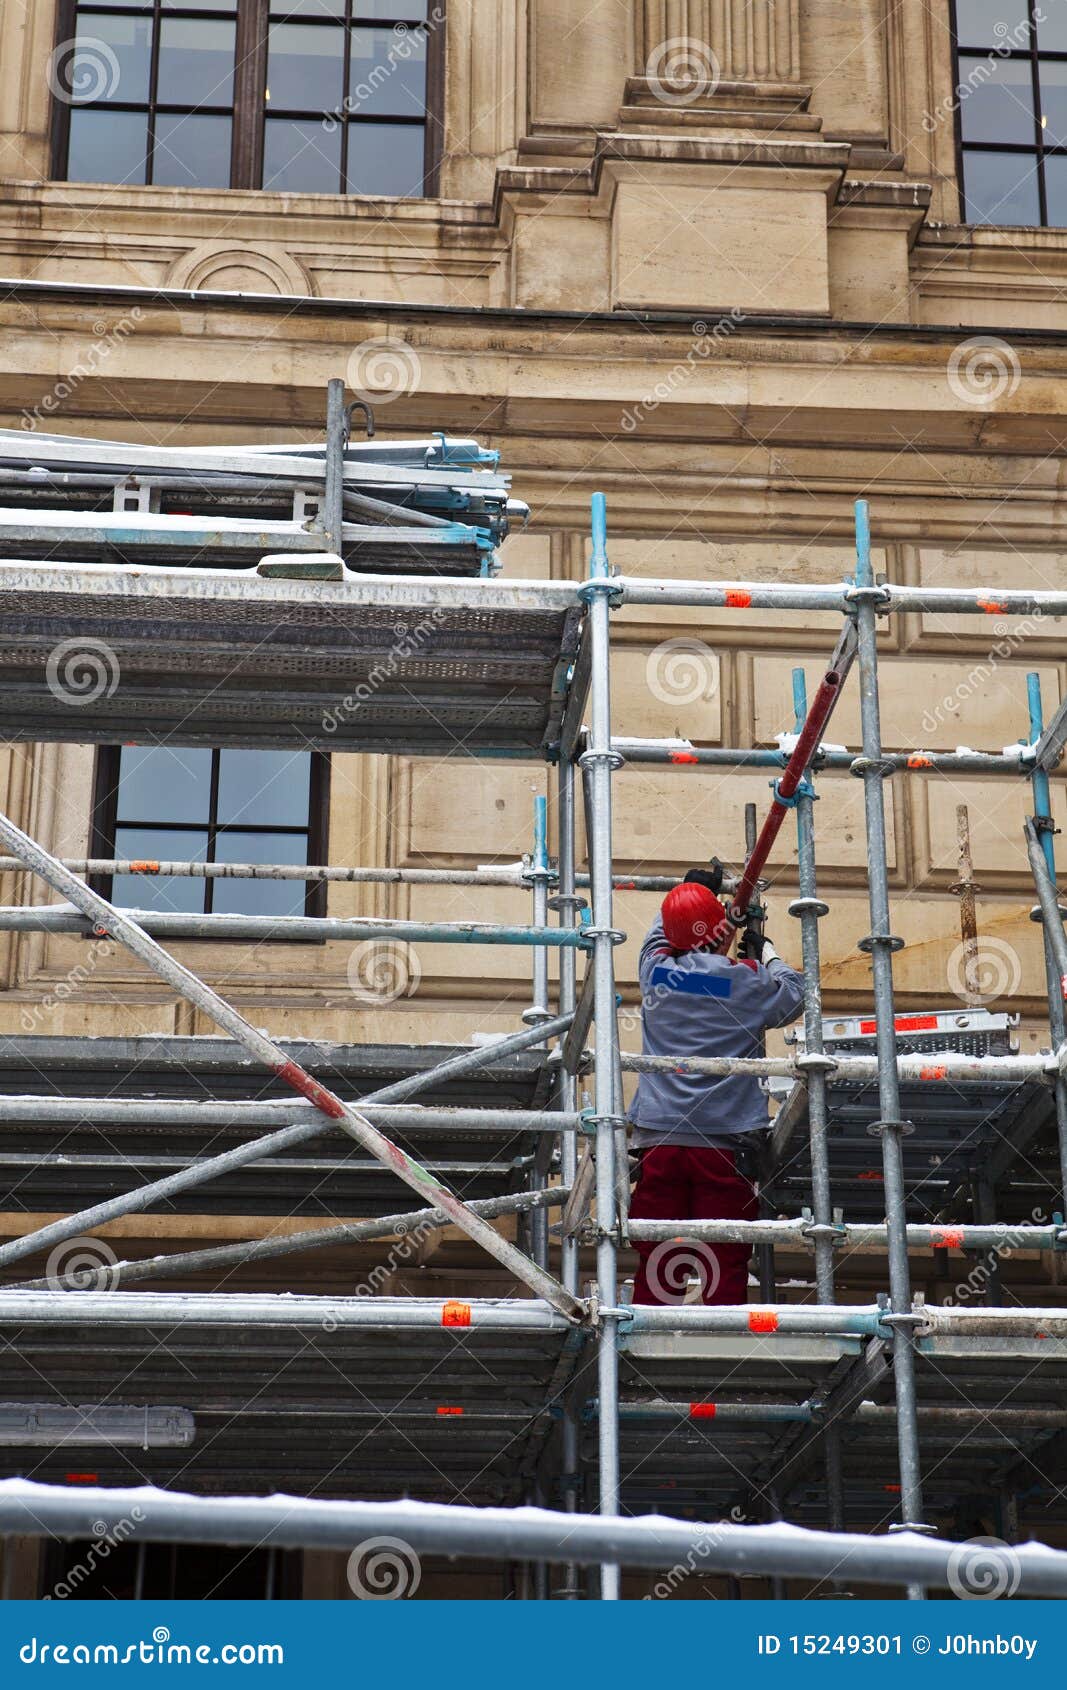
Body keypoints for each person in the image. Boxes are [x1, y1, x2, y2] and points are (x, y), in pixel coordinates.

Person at [628, 869, 805, 1306]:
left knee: (658, 1249)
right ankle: (721, 1340)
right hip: (723, 1142)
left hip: (660, 1137)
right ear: (718, 932)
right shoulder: (742, 980)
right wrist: (767, 955)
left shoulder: (657, 974)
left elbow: (658, 937)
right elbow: (796, 996)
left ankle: (649, 1342)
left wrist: (687, 888)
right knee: (724, 1252)